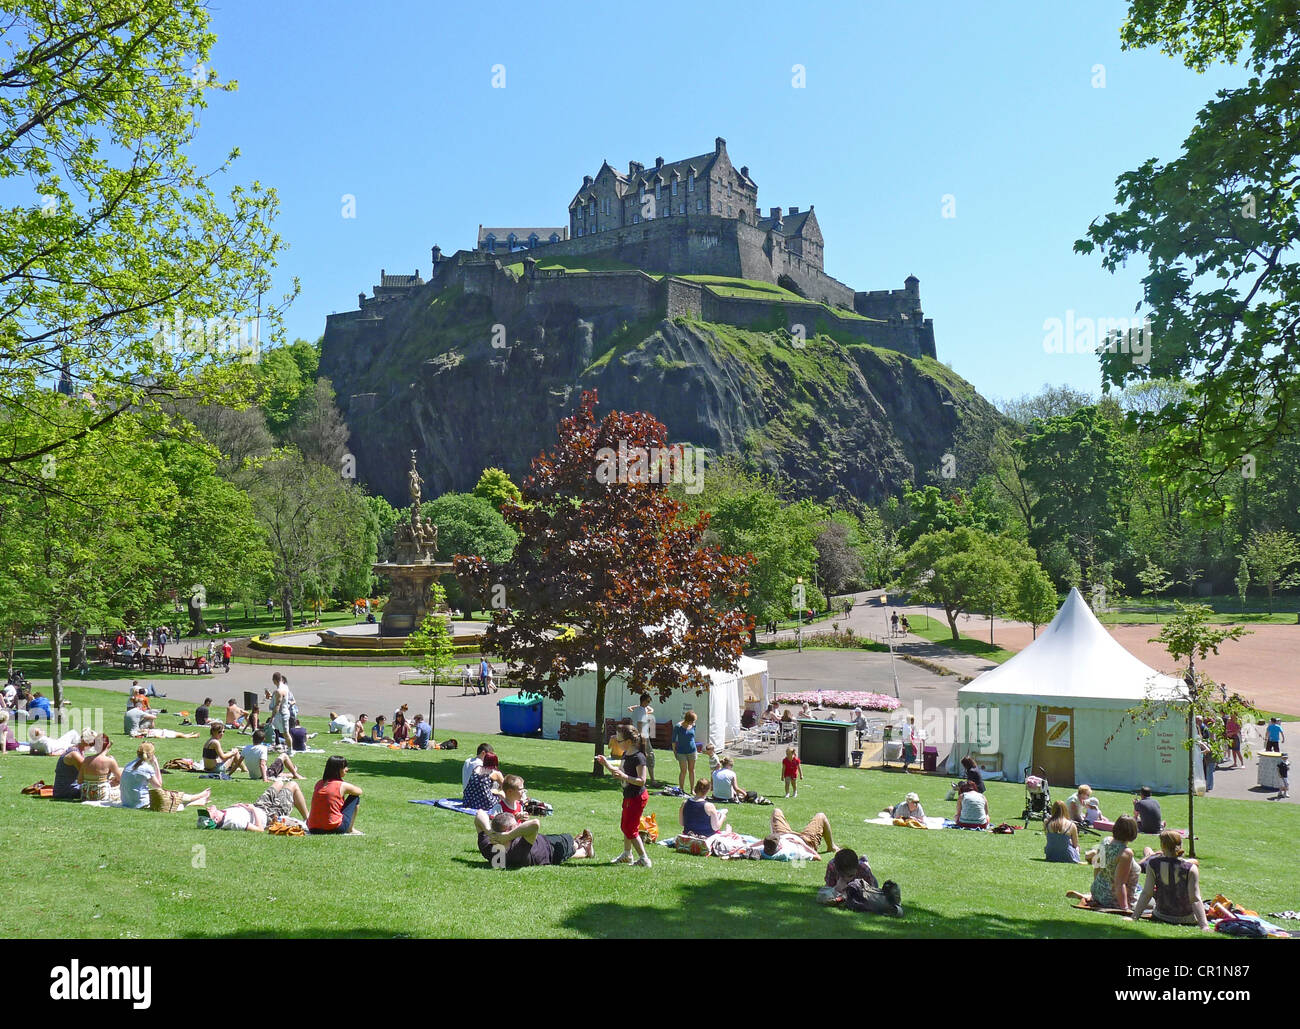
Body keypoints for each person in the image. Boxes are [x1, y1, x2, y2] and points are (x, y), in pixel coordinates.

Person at [1129, 830, 1211, 929]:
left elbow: (1147, 893)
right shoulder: (1190, 868)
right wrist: (1204, 926)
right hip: (1186, 919)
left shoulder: (1153, 864)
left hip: (1161, 916)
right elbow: (1195, 899)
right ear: (1180, 845)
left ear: (1162, 845)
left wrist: (1134, 917)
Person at [596, 725, 652, 867]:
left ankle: (644, 859)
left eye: (619, 741)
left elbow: (642, 781)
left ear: (628, 741)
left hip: (637, 797)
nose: (617, 743)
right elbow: (619, 772)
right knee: (625, 826)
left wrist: (625, 777)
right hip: (629, 796)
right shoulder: (626, 754)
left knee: (630, 829)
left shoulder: (639, 757)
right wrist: (606, 764)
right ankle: (627, 854)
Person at [474, 809, 594, 868]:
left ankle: (583, 847)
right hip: (550, 850)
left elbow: (479, 813)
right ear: (507, 831)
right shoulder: (516, 851)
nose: (519, 825)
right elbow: (535, 824)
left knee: (567, 843)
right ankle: (583, 847)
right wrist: (507, 836)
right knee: (569, 841)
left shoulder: (488, 847)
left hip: (539, 843)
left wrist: (490, 832)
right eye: (516, 825)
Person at [1068, 815, 1140, 911]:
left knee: (1140, 888)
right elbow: (1120, 883)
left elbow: (1097, 867)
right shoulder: (1125, 853)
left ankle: (1089, 896)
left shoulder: (1105, 841)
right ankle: (1090, 896)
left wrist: (1097, 889)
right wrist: (1125, 908)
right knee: (1150, 900)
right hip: (1114, 899)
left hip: (1098, 891)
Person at [119, 742, 211, 813]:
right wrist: (156, 764)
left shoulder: (129, 765)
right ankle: (197, 798)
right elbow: (158, 786)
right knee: (172, 802)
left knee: (171, 799)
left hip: (127, 802)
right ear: (151, 754)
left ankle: (198, 799)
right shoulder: (146, 768)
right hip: (140, 803)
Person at [307, 755, 364, 834]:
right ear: (338, 769)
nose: (347, 769)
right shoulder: (342, 785)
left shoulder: (319, 783)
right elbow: (359, 791)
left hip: (313, 828)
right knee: (355, 797)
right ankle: (350, 829)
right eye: (344, 767)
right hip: (334, 828)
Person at [761, 807, 838, 857]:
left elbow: (757, 844)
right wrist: (799, 841)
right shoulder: (790, 853)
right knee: (821, 816)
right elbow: (817, 856)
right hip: (805, 841)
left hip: (782, 835)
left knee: (776, 811)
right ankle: (831, 847)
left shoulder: (768, 846)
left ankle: (787, 833)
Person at [78, 734, 122, 803]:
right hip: (102, 795)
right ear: (107, 745)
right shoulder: (110, 761)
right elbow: (121, 779)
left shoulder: (86, 760)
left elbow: (79, 781)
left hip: (85, 794)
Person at [53, 729, 96, 799]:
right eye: (92, 744)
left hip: (65, 789)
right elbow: (87, 774)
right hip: (66, 791)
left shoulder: (78, 750)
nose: (93, 746)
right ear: (85, 741)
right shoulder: (75, 755)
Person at [629, 692, 657, 786]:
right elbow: (640, 724)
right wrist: (642, 740)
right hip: (642, 737)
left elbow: (651, 709)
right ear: (644, 701)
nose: (649, 703)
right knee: (649, 757)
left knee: (638, 758)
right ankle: (652, 780)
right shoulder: (641, 711)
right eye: (648, 701)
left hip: (635, 737)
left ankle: (638, 779)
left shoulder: (638, 710)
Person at [672, 710, 697, 791]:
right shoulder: (678, 726)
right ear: (687, 719)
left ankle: (692, 789)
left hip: (692, 750)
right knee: (683, 771)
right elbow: (673, 741)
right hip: (681, 752)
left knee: (692, 770)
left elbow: (692, 737)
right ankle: (681, 789)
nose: (693, 722)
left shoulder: (693, 725)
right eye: (692, 721)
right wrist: (675, 752)